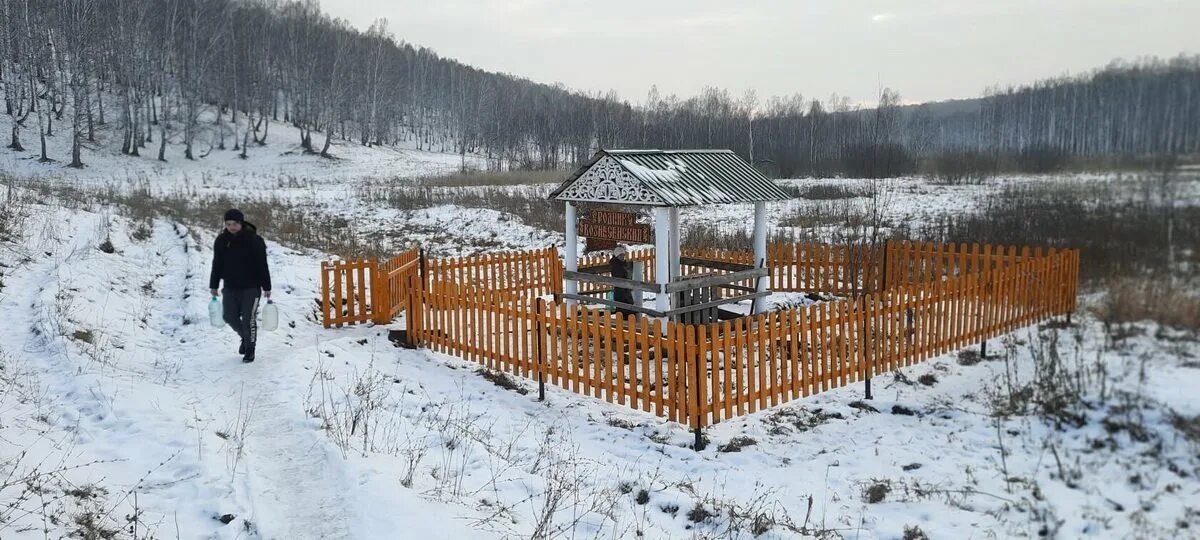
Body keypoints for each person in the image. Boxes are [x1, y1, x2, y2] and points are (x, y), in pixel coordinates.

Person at [209, 209, 271, 362]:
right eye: (228, 224)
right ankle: (246, 337)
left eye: (235, 224)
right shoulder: (222, 241)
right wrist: (214, 285)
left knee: (248, 318)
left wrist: (267, 286)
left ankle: (250, 349)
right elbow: (216, 263)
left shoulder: (254, 240)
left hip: (252, 287)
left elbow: (262, 264)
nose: (232, 227)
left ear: (241, 223)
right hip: (230, 286)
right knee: (228, 316)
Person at [609, 245, 635, 315]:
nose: (622, 257)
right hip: (621, 291)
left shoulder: (621, 264)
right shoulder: (616, 265)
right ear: (617, 256)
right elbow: (621, 276)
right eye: (621, 255)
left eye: (623, 255)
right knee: (624, 311)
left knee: (625, 311)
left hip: (624, 291)